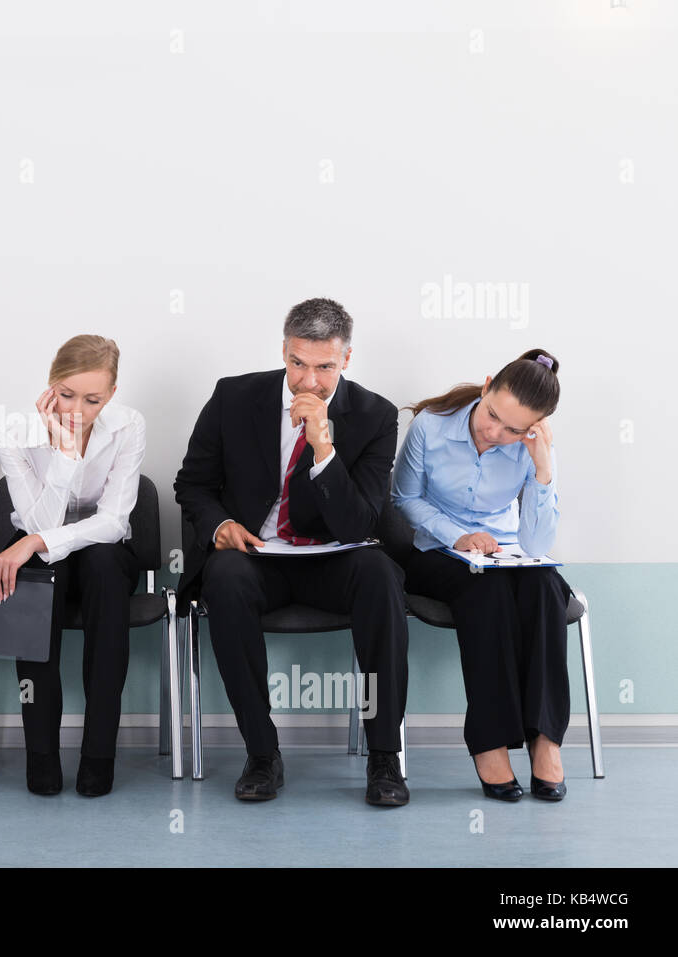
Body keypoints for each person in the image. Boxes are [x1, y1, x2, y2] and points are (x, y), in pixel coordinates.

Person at [174, 298, 410, 807]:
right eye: (298, 363)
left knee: (381, 576)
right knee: (225, 578)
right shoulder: (233, 397)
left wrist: (323, 448)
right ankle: (262, 754)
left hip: (333, 558)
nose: (309, 380)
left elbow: (361, 523)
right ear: (284, 351)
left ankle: (385, 756)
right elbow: (192, 485)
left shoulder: (374, 416)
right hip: (257, 557)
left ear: (345, 359)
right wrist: (219, 525)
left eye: (324, 367)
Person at [390, 349, 570, 802]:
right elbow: (404, 499)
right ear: (487, 385)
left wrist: (543, 468)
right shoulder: (431, 426)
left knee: (546, 586)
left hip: (505, 553)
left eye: (514, 429)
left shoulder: (529, 449)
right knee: (485, 592)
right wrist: (458, 536)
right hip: (436, 551)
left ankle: (545, 740)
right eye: (493, 416)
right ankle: (490, 744)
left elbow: (534, 545)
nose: (495, 433)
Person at [0, 335, 145, 797]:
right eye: (67, 394)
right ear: (49, 386)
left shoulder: (128, 425)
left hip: (103, 551)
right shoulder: (15, 432)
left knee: (102, 566)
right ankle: (42, 754)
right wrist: (67, 456)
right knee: (37, 575)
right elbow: (41, 522)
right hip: (38, 550)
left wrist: (35, 541)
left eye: (93, 399)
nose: (77, 409)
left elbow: (114, 522)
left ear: (111, 395)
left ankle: (98, 754)